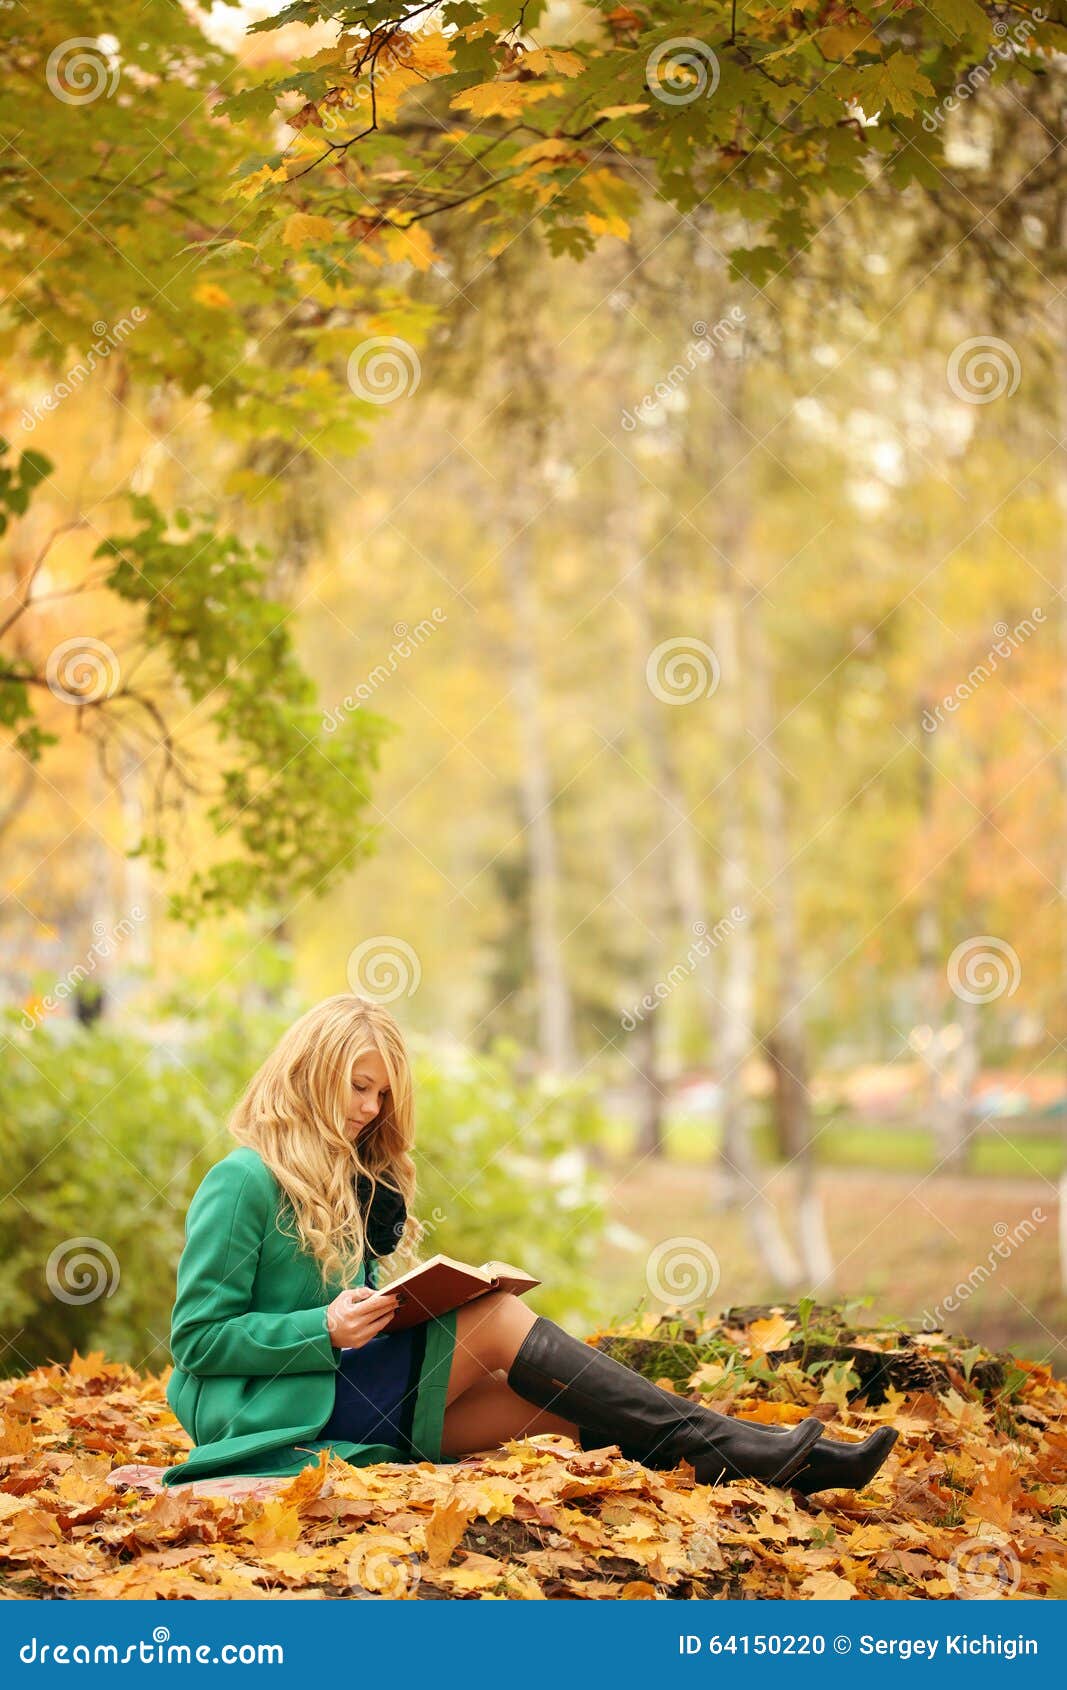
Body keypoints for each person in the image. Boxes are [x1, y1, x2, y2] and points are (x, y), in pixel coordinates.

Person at [160, 994, 897, 1495]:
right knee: (495, 1323)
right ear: (310, 1075)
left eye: (381, 1094)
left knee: (565, 1420)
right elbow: (196, 1339)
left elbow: (354, 1311)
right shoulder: (243, 1181)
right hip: (276, 1414)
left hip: (340, 1393)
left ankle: (778, 1466)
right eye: (358, 1087)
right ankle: (744, 1442)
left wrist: (404, 1290)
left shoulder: (352, 1177)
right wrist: (320, 1327)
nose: (370, 1108)